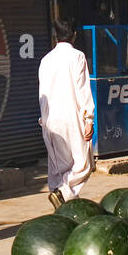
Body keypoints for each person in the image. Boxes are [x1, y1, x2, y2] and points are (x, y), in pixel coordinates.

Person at [38, 18, 95, 210]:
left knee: (58, 166)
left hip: (51, 120)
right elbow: (82, 90)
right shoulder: (77, 57)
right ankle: (62, 193)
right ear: (74, 36)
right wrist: (89, 119)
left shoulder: (45, 60)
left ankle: (61, 202)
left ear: (55, 36)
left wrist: (44, 122)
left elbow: (42, 95)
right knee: (82, 165)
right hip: (73, 117)